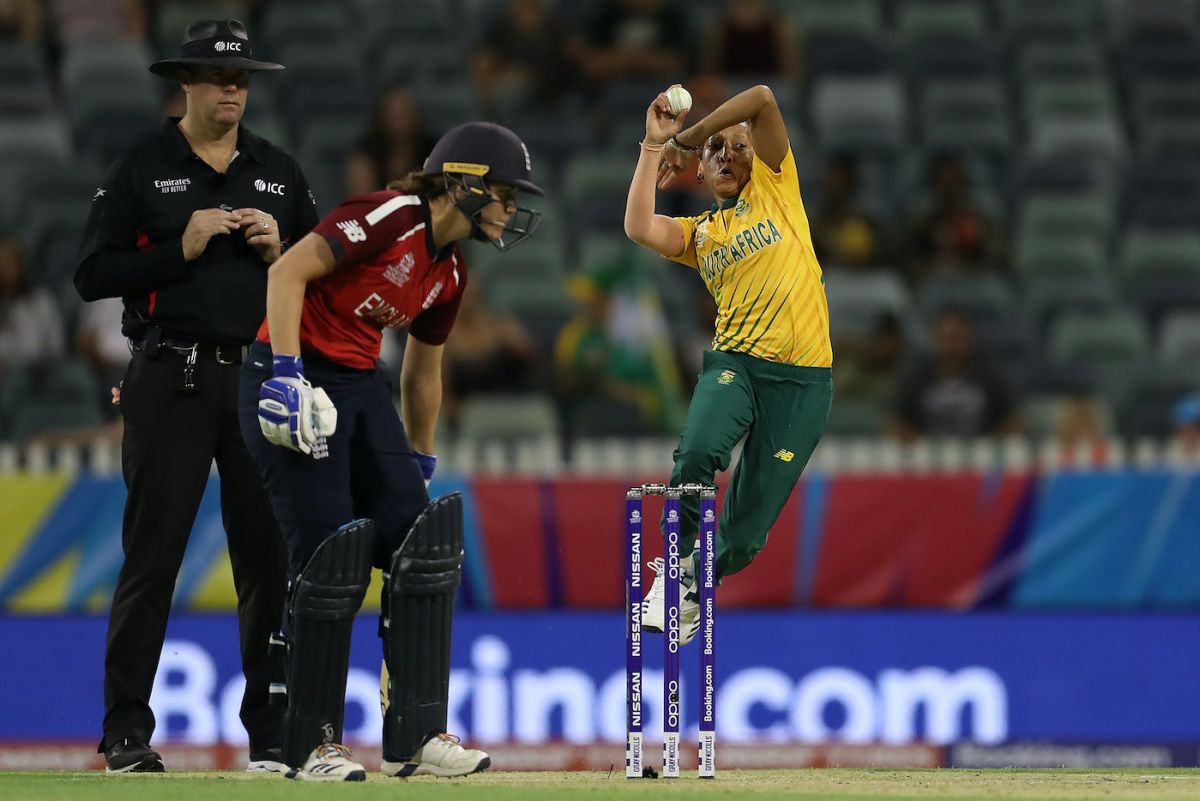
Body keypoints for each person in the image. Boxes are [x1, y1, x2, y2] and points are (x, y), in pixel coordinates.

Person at [237, 121, 543, 780]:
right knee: (328, 552)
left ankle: (417, 735)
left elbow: (422, 372)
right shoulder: (391, 215)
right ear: (464, 183)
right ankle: (311, 742)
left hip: (357, 383)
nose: (512, 209)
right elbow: (289, 271)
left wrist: (419, 463)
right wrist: (285, 374)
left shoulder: (450, 274)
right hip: (293, 370)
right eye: (505, 194)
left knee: (420, 540)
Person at [74, 19, 317, 774]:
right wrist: (176, 249)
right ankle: (124, 734)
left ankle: (273, 733)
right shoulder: (143, 167)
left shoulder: (279, 172)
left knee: (267, 562)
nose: (233, 89)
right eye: (219, 76)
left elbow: (327, 279)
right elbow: (92, 273)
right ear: (185, 83)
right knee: (152, 558)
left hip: (256, 378)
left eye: (242, 78)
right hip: (169, 374)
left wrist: (286, 254)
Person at [624, 83, 833, 645]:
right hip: (736, 365)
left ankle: (692, 578)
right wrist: (653, 147)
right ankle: (674, 567)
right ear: (698, 175)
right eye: (713, 151)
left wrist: (690, 138)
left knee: (742, 540)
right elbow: (640, 226)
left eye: (735, 145)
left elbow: (763, 97)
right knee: (696, 451)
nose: (723, 155)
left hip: (803, 384)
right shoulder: (702, 235)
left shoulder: (777, 186)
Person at [889, 308, 1020, 441]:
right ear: (934, 340)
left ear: (969, 340)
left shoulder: (991, 377)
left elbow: (1011, 422)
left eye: (957, 339)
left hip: (980, 456)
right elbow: (898, 423)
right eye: (945, 339)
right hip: (928, 457)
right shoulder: (915, 379)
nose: (951, 347)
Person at [343, 85, 436, 198]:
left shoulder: (434, 152)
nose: (400, 123)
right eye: (395, 116)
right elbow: (360, 204)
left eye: (405, 114)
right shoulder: (365, 157)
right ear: (382, 117)